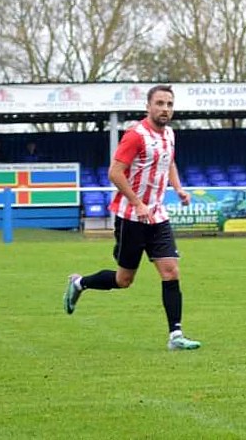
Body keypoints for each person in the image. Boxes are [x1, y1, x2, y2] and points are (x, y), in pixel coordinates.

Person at [62, 85, 201, 350]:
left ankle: (176, 336)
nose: (165, 109)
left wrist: (179, 188)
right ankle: (79, 283)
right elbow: (115, 172)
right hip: (130, 217)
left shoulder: (170, 134)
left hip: (158, 216)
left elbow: (168, 163)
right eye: (159, 103)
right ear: (148, 106)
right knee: (123, 280)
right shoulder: (135, 135)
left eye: (169, 104)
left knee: (171, 272)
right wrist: (137, 203)